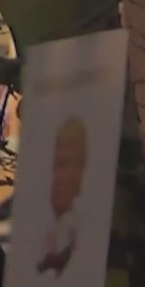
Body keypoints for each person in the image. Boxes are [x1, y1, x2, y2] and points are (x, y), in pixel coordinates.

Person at [39, 118, 87, 277]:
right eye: (54, 166)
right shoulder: (43, 237)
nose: (56, 177)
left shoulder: (85, 234)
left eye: (64, 165)